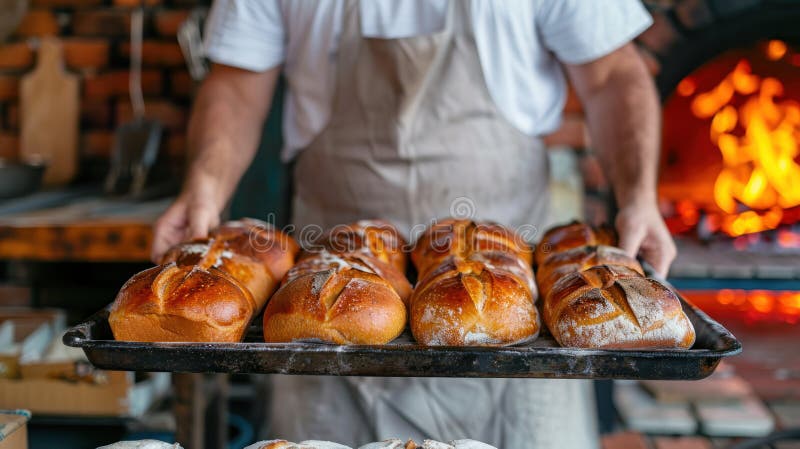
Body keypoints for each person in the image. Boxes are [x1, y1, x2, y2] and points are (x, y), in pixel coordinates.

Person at [151, 1, 675, 447]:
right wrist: (205, 188)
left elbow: (612, 76)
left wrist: (638, 198)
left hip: (512, 314)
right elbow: (238, 84)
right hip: (329, 303)